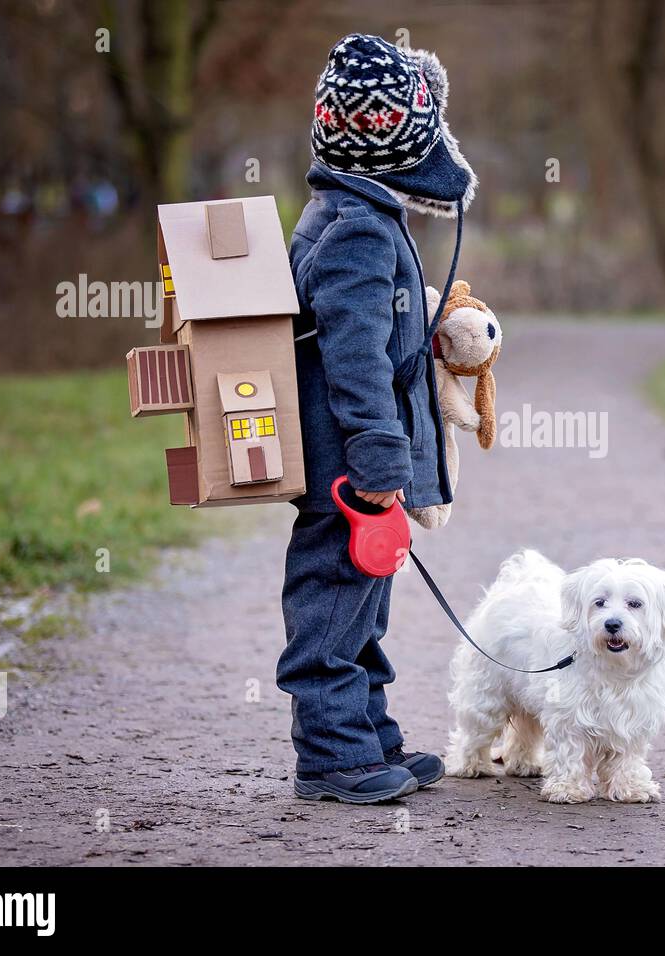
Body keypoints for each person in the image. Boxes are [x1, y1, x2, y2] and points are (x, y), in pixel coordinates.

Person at [277, 33, 477, 803]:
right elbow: (354, 356)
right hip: (347, 464)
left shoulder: (345, 209)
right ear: (392, 144)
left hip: (355, 462)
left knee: (365, 598)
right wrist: (377, 451)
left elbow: (378, 332)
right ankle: (331, 757)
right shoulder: (357, 229)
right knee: (332, 597)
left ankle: (370, 735)